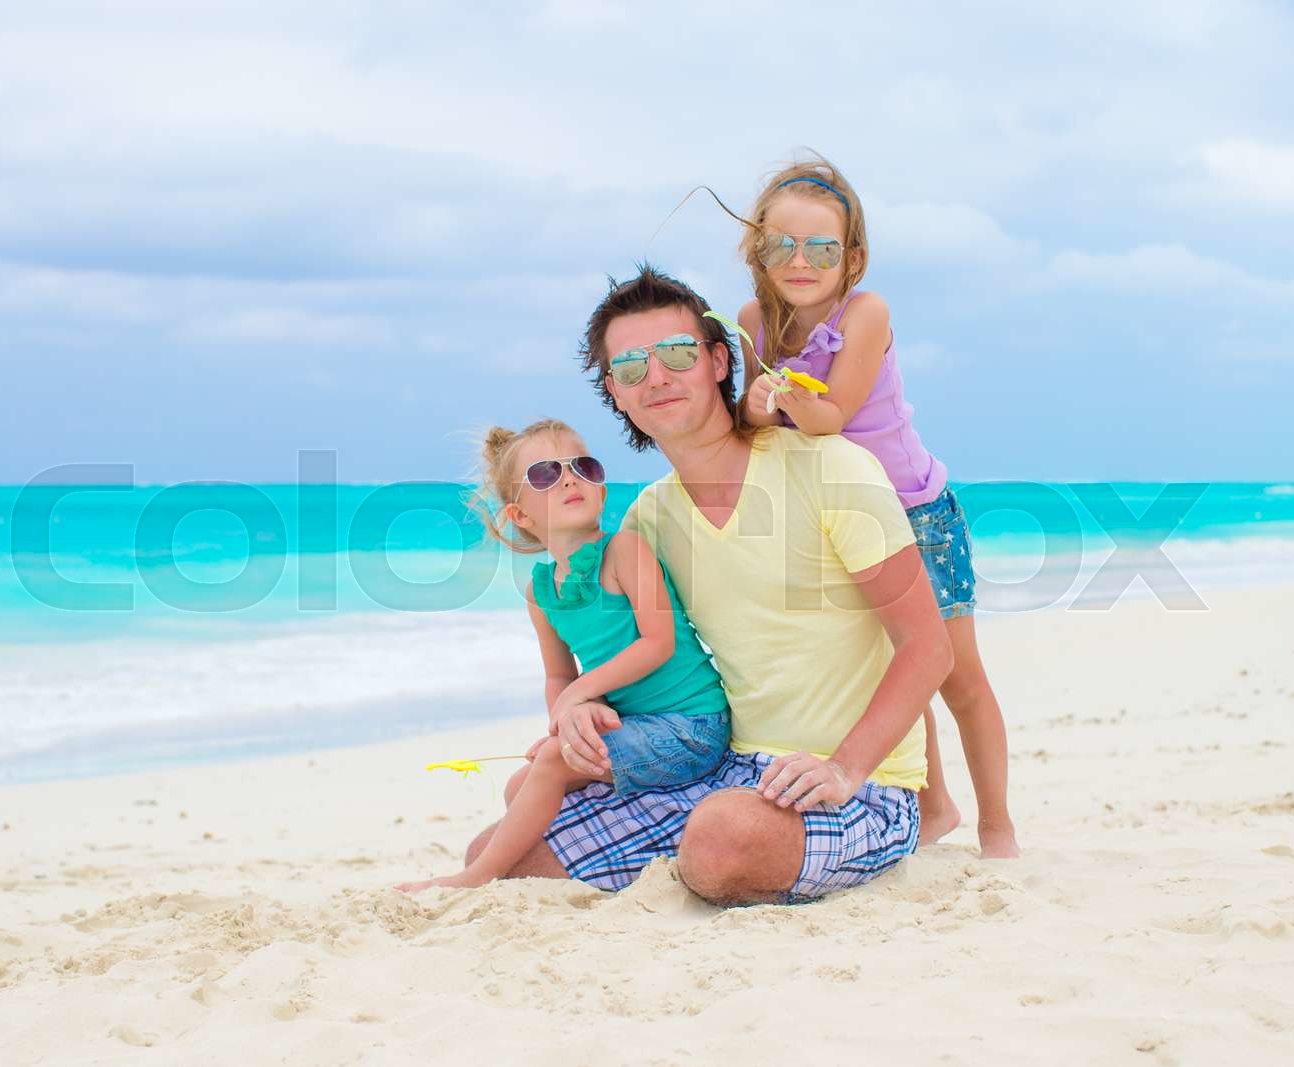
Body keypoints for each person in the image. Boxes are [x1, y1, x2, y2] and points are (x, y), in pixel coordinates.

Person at [459, 266, 953, 905]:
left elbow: (927, 647)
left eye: (677, 354)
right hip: (721, 768)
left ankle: (756, 841)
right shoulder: (650, 520)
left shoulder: (833, 469)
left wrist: (845, 767)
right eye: (632, 367)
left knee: (722, 839)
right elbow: (630, 662)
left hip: (861, 783)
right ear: (616, 391)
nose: (657, 376)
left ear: (720, 361)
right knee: (498, 853)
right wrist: (577, 711)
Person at [733, 156, 1020, 858]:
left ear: (851, 257)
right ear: (757, 250)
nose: (801, 261)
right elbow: (748, 415)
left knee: (957, 676)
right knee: (892, 675)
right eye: (782, 245)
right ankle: (936, 805)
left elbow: (832, 415)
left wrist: (790, 402)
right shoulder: (751, 320)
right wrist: (760, 404)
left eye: (822, 247)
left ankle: (997, 824)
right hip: (843, 522)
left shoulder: (867, 312)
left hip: (915, 516)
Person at [397, 418, 730, 892]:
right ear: (520, 516)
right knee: (520, 784)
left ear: (601, 491)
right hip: (631, 724)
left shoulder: (625, 551)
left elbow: (659, 643)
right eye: (545, 475)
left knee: (551, 764)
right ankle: (604, 844)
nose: (569, 477)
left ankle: (474, 877)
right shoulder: (540, 593)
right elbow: (558, 676)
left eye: (583, 466)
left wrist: (578, 699)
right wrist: (567, 720)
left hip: (692, 727)